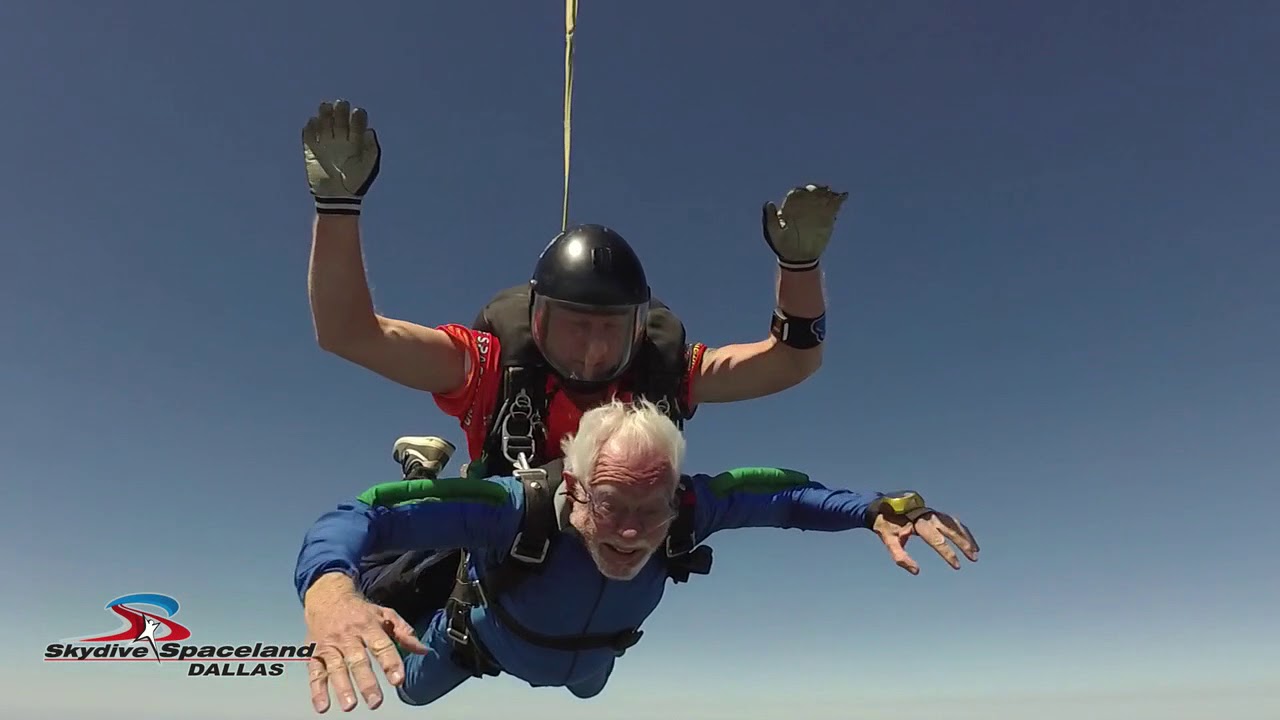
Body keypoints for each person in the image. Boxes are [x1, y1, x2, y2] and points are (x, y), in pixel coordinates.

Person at [295, 399, 980, 713]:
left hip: (589, 658)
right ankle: (426, 471)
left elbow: (787, 497)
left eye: (650, 510)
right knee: (411, 696)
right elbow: (361, 517)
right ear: (572, 486)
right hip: (482, 642)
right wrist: (329, 589)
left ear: (676, 492)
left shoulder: (689, 508)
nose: (629, 533)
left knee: (586, 686)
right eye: (609, 506)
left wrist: (875, 509)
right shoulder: (515, 508)